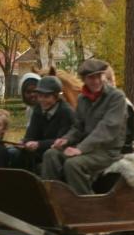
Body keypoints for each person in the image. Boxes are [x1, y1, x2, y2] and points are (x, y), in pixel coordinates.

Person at [40, 58, 128, 196]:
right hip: (87, 149)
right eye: (91, 78)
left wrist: (80, 149)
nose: (96, 81)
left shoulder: (116, 97)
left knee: (73, 164)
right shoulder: (82, 99)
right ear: (84, 80)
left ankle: (87, 205)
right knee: (50, 155)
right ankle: (54, 199)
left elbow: (106, 129)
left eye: (98, 76)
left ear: (103, 76)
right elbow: (78, 127)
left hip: (107, 151)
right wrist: (66, 140)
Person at [20, 75, 75, 169]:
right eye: (40, 96)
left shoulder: (66, 112)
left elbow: (61, 140)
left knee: (49, 155)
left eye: (47, 96)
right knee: (16, 153)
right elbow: (31, 133)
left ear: (57, 96)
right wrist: (24, 142)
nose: (42, 100)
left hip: (60, 152)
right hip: (40, 151)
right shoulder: (38, 109)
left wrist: (38, 144)